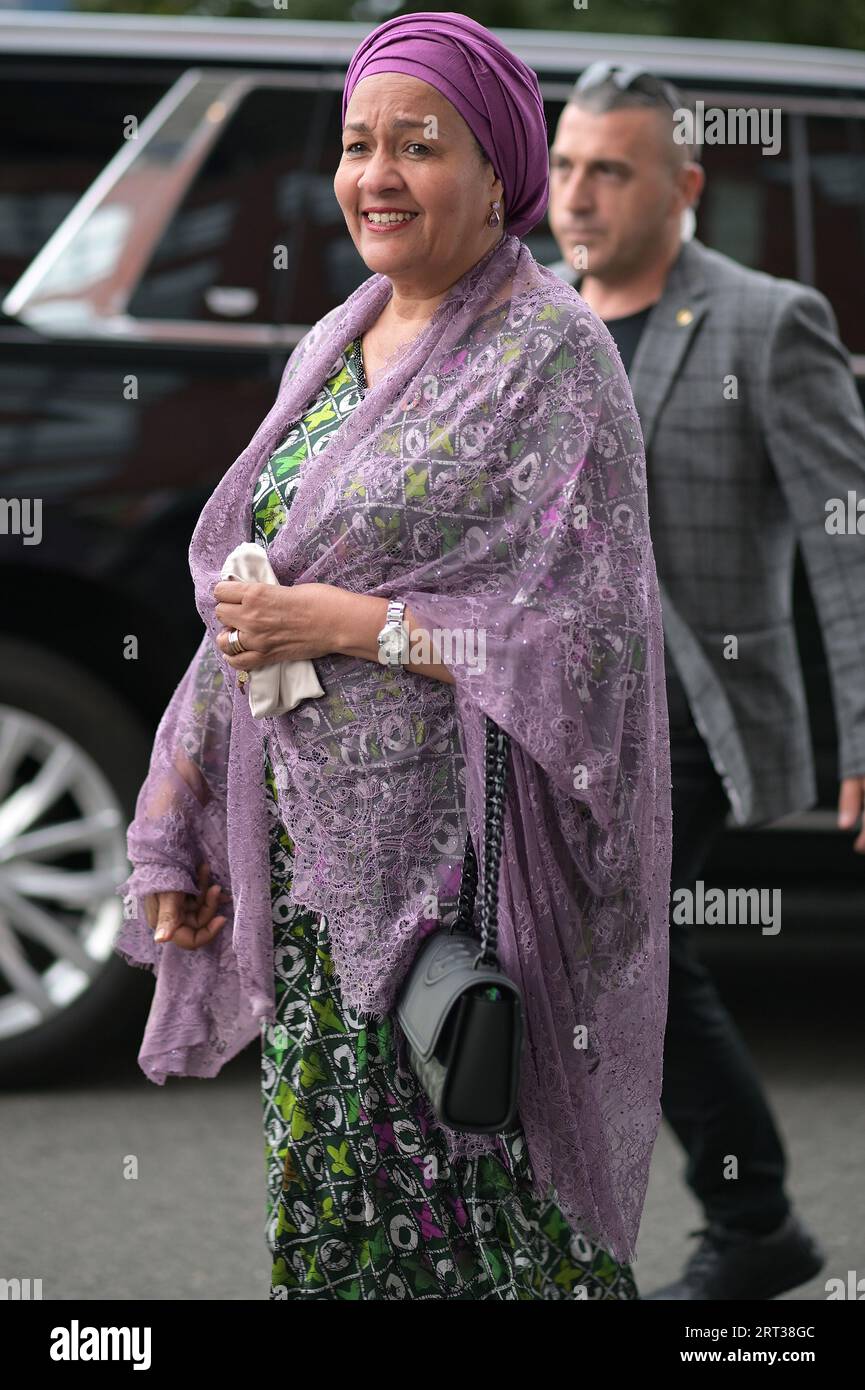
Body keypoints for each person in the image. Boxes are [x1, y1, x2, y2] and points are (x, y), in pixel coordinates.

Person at [113, 15, 672, 1302]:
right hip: (310, 890)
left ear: (498, 173)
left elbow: (585, 648)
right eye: (359, 144)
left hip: (469, 911)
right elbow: (249, 597)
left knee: (486, 1240)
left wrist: (351, 626)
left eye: (417, 146)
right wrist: (182, 835)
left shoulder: (552, 354)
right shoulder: (334, 341)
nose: (376, 174)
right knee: (335, 1231)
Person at [546, 63, 865, 1299]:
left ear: (682, 184)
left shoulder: (764, 320)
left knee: (624, 950)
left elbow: (847, 534)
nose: (577, 195)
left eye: (609, 170)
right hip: (547, 707)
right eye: (566, 167)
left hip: (692, 706)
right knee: (601, 954)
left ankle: (753, 1223)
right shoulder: (532, 315)